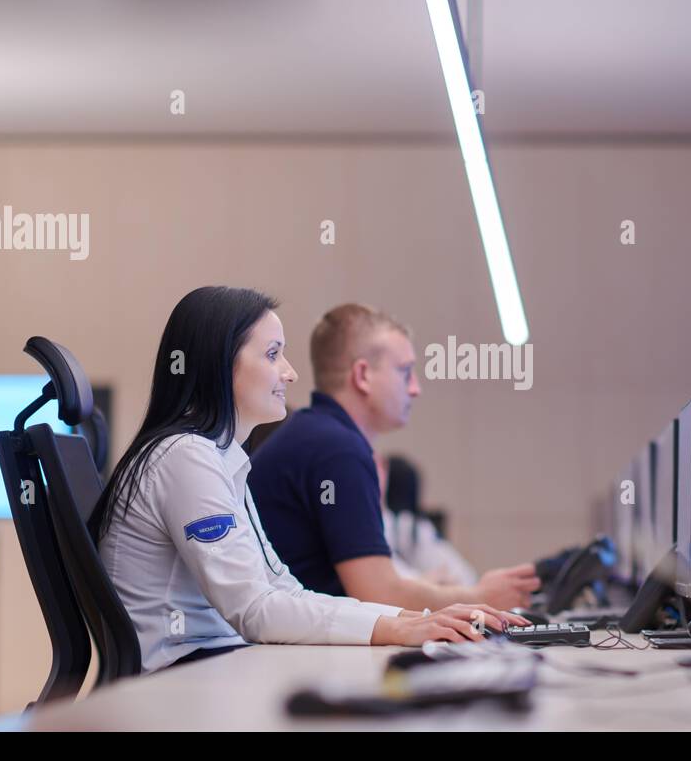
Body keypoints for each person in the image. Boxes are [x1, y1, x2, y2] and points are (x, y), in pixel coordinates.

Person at [89, 287, 524, 673]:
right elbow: (254, 609)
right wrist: (391, 625)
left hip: (208, 664)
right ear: (223, 364)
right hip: (181, 679)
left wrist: (410, 620)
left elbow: (282, 588)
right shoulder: (185, 457)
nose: (290, 373)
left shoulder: (217, 458)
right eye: (273, 354)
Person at [248, 303, 540, 610]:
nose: (415, 388)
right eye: (404, 372)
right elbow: (378, 594)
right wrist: (479, 598)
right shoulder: (336, 449)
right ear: (363, 375)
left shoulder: (317, 436)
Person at [376, 453, 477, 587]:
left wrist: (426, 580)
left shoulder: (404, 523)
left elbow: (392, 575)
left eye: (382, 470)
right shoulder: (403, 522)